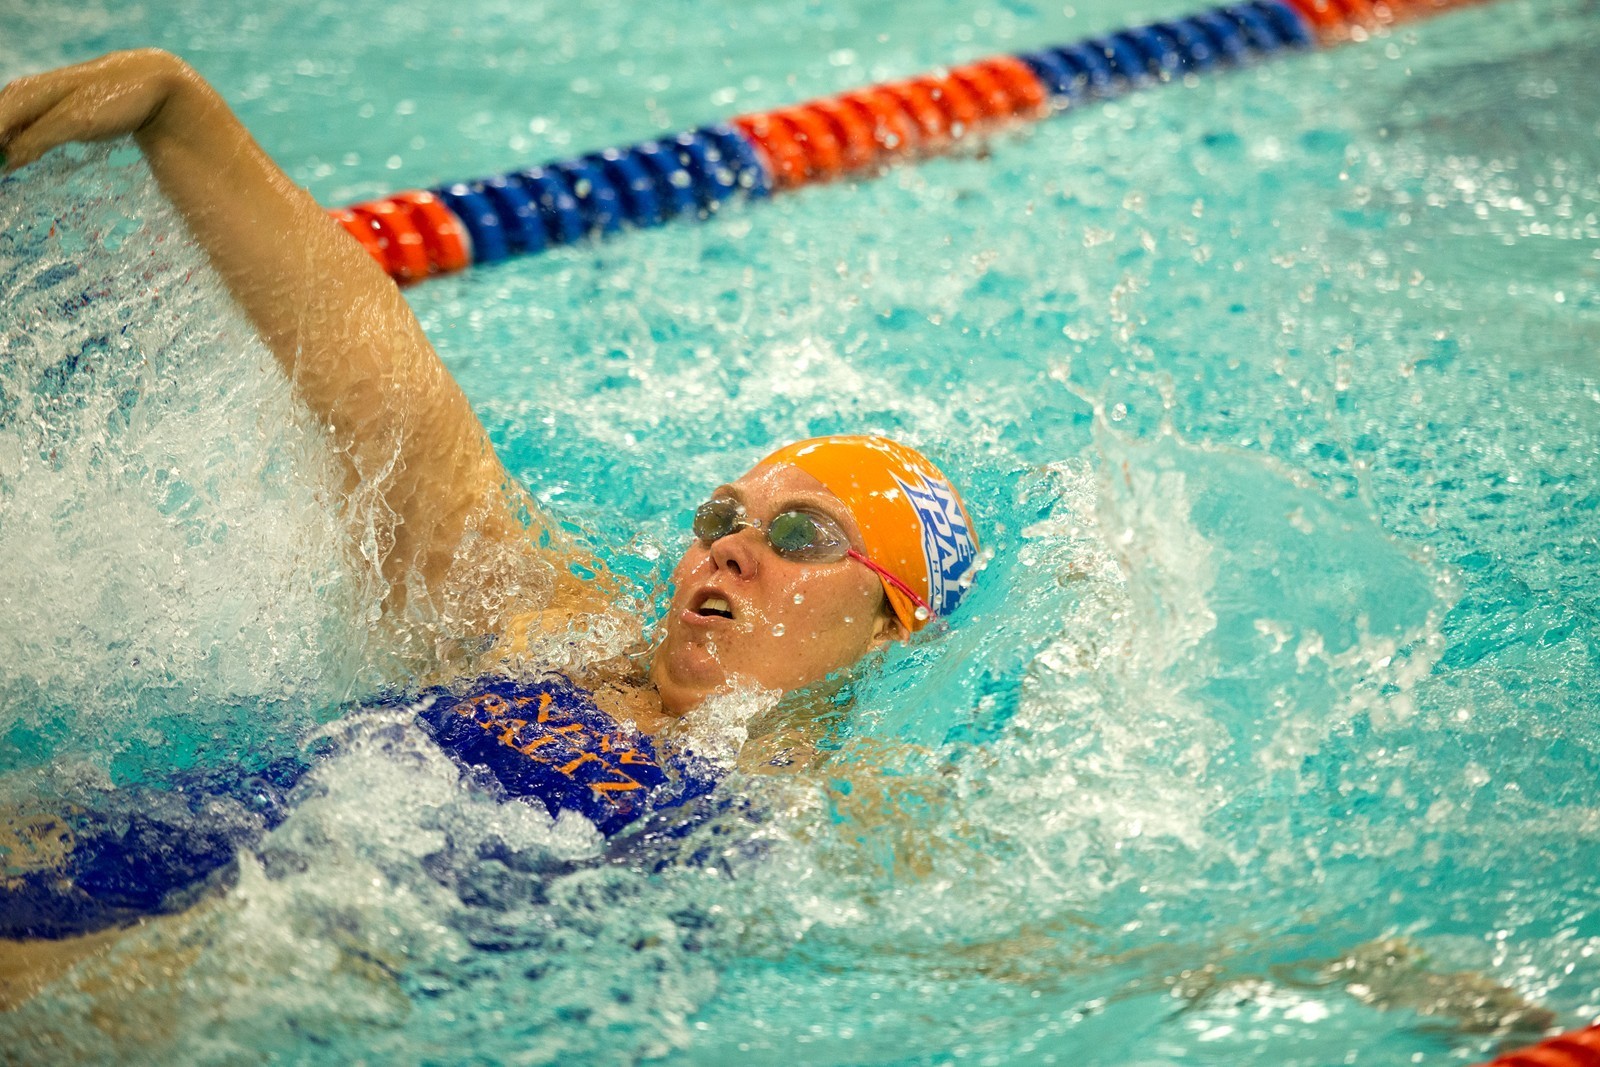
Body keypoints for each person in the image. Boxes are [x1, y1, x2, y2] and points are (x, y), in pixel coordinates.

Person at [0, 49, 980, 941]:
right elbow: (381, 401)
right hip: (156, 841)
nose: (728, 547)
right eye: (722, 518)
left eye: (802, 534)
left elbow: (1035, 962)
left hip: (286, 966)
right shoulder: (552, 634)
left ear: (890, 622)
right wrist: (178, 113)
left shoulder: (836, 807)